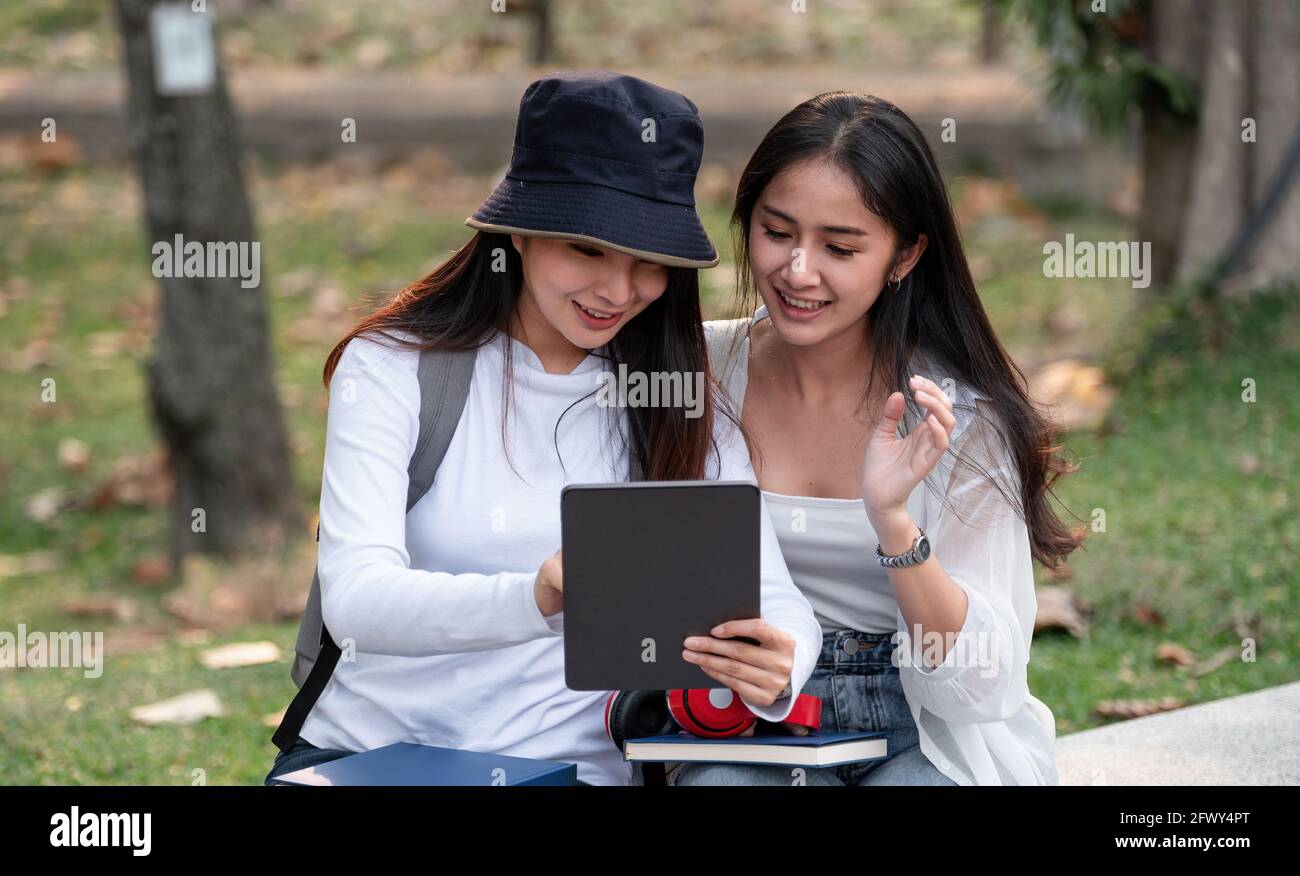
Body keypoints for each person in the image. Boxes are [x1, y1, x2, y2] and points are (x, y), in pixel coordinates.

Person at [263, 70, 821, 787]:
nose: (618, 292)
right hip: (370, 759)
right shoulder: (395, 369)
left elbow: (771, 596)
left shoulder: (678, 407)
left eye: (649, 264)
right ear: (518, 233)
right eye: (586, 250)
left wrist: (782, 660)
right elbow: (357, 602)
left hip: (573, 774)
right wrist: (537, 596)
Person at [671, 91, 1081, 786]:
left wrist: (894, 525)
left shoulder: (961, 418)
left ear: (905, 255)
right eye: (776, 233)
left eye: (839, 247)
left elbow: (984, 682)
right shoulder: (697, 378)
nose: (799, 271)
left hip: (919, 726)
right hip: (745, 718)